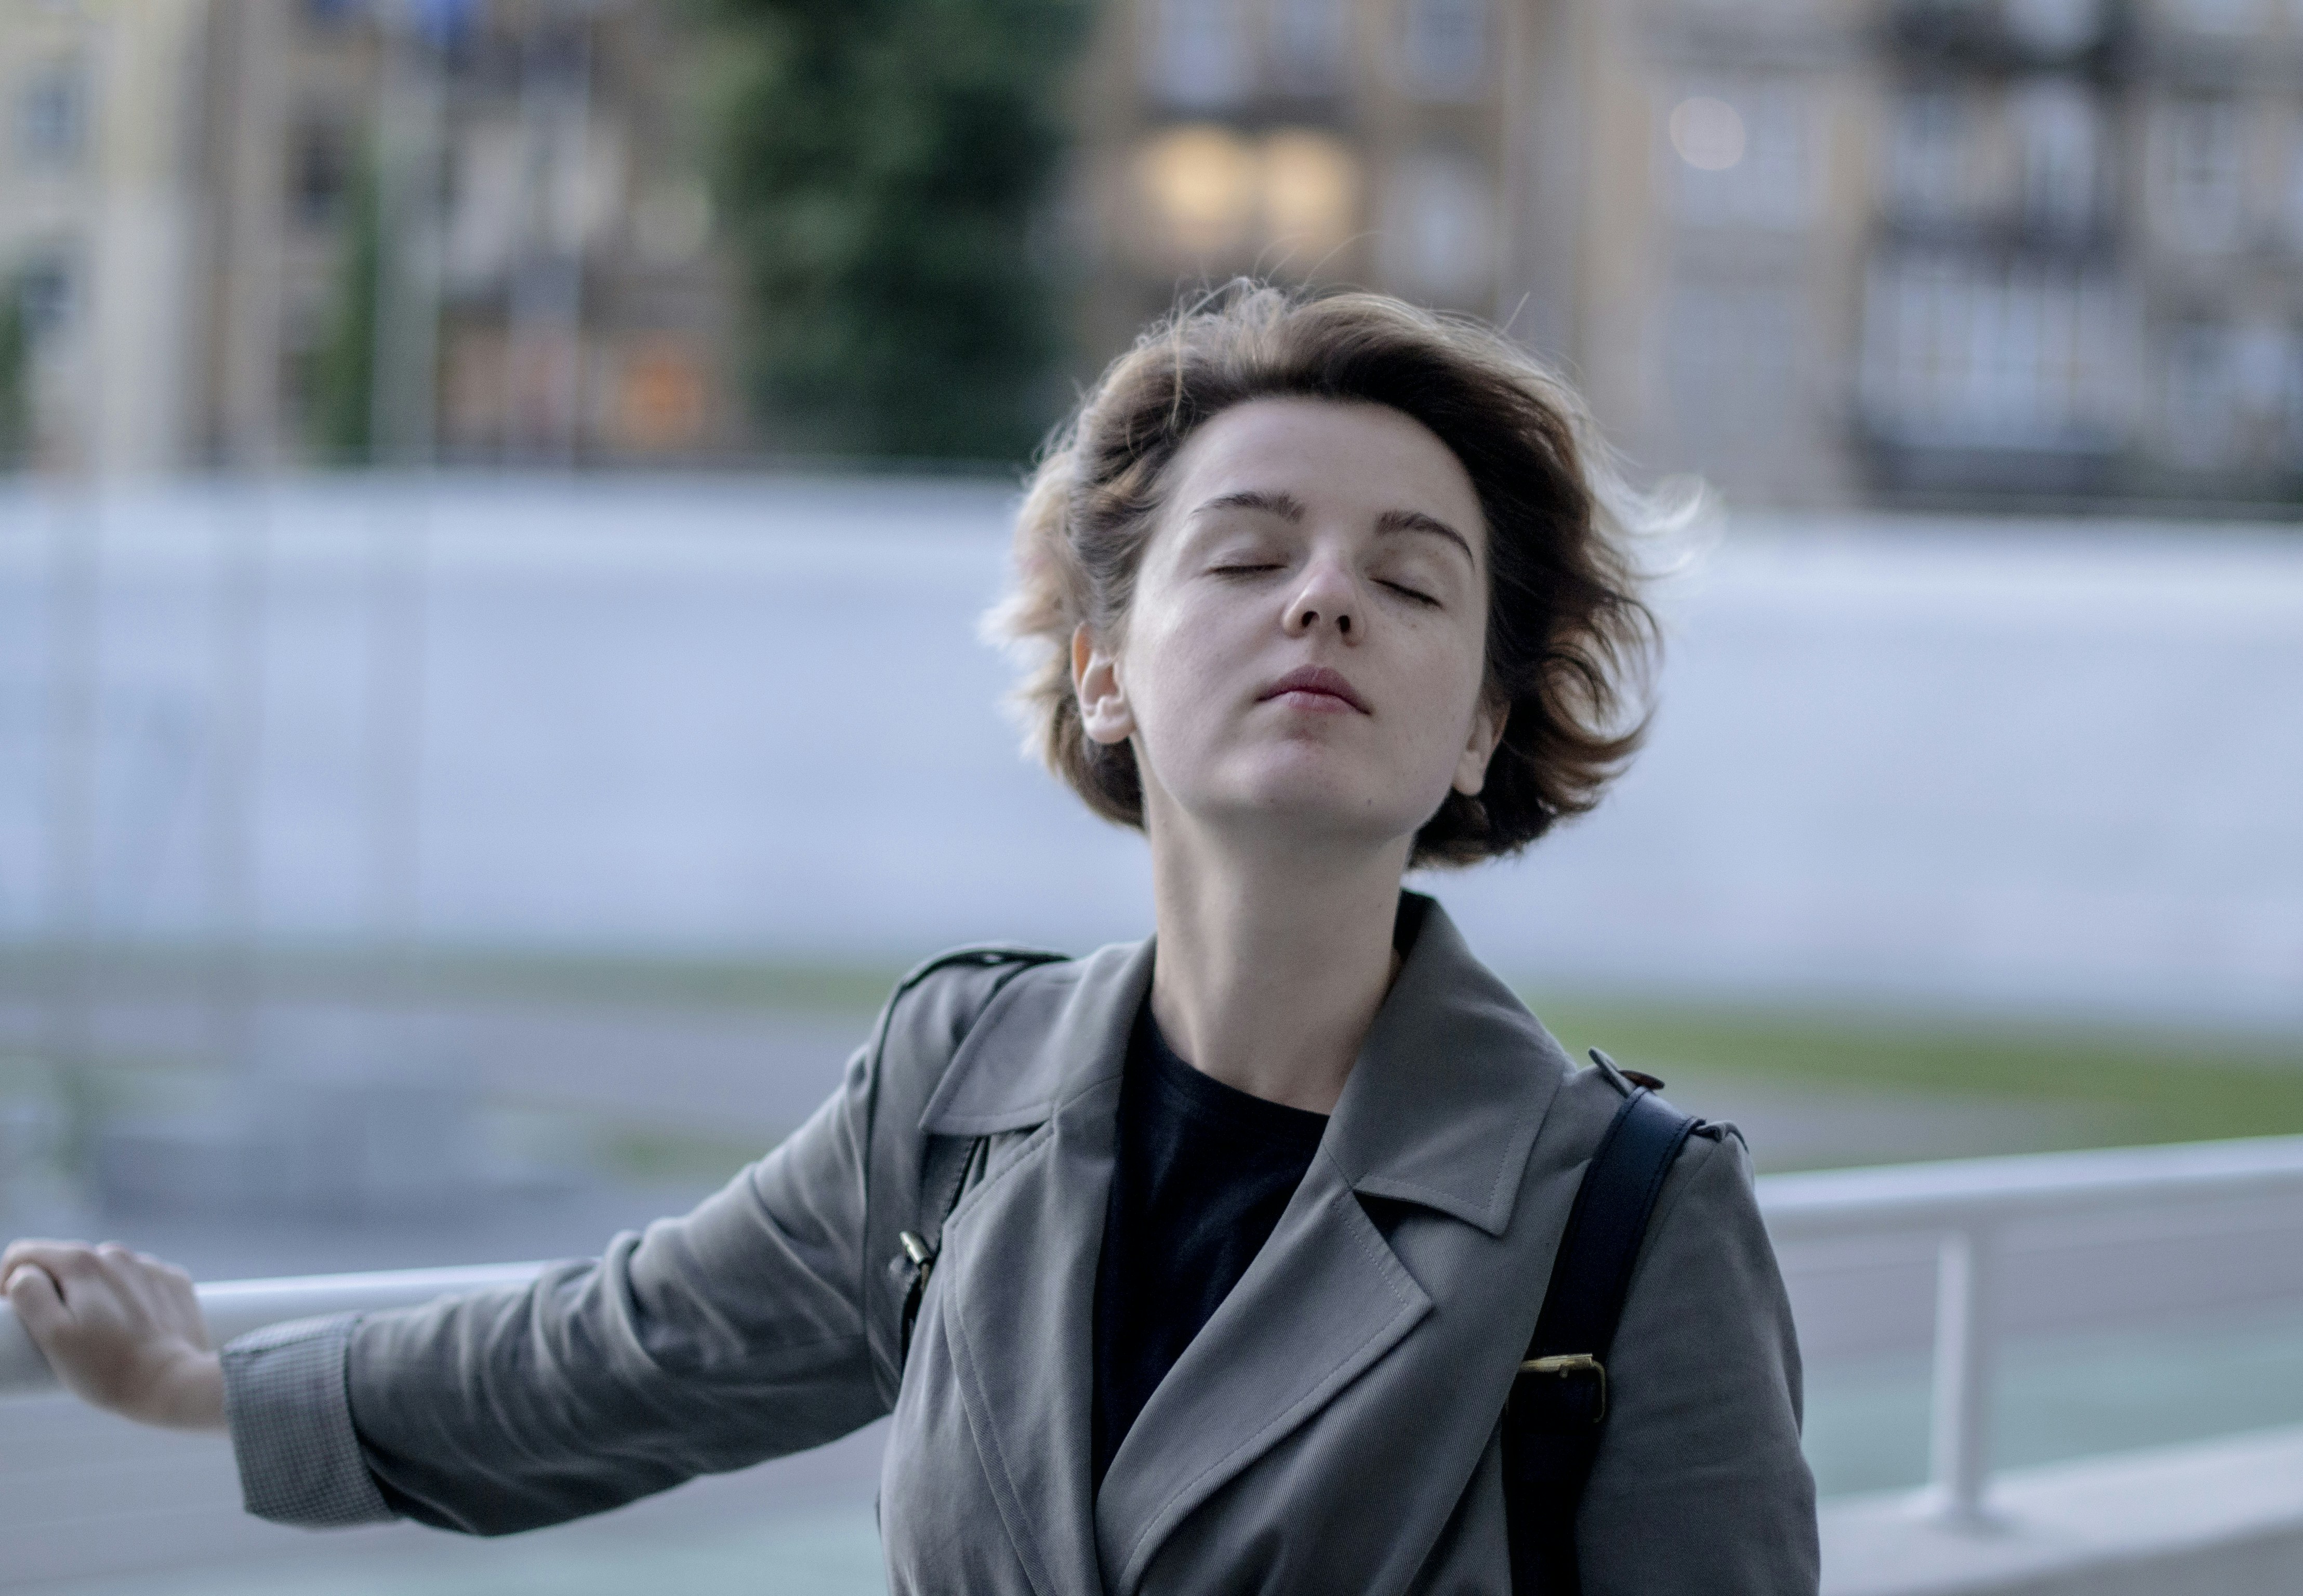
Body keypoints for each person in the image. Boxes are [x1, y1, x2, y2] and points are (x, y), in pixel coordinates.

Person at [4, 285, 1816, 1593]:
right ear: (1104, 670)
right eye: (1247, 554)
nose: (1326, 593)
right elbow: (611, 1362)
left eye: (1412, 579)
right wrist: (197, 1388)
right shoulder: (952, 1093)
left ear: (1484, 727)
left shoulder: (1626, 1218)